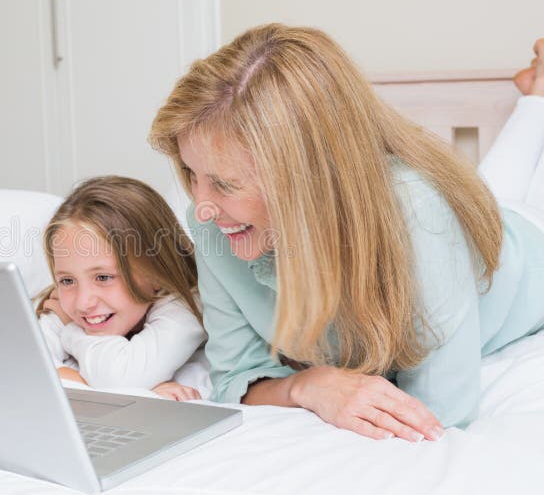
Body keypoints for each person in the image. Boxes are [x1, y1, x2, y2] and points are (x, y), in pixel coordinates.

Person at [148, 25, 544, 440]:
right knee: (495, 188)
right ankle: (534, 97)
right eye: (192, 175)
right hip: (462, 224)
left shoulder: (420, 212)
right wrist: (306, 384)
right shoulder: (210, 222)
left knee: (512, 198)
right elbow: (234, 379)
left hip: (527, 257)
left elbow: (437, 416)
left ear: (308, 177)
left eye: (225, 184)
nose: (203, 207)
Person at [35, 175, 208, 401]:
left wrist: (71, 331)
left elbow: (119, 378)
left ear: (155, 271)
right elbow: (22, 367)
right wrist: (140, 391)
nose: (83, 302)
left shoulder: (188, 303)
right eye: (67, 280)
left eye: (104, 277)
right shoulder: (62, 303)